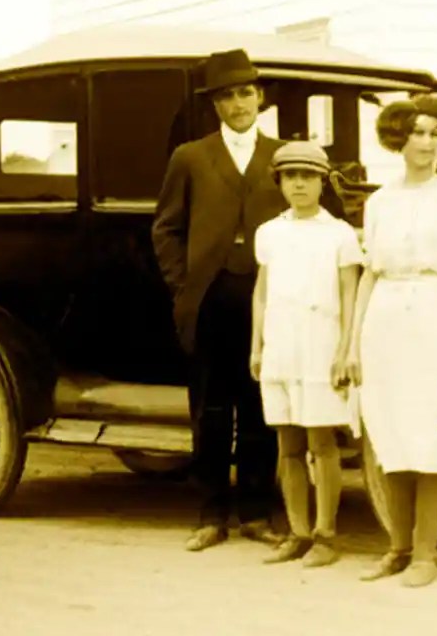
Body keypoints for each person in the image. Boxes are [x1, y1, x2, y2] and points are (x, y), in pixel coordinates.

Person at [347, 94, 437, 588]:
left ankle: (425, 554)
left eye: (434, 132)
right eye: (417, 132)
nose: (426, 142)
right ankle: (397, 547)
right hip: (384, 319)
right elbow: (368, 274)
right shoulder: (381, 202)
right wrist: (351, 344)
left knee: (430, 437)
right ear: (398, 139)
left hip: (432, 314)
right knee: (390, 434)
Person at [151, 48, 288, 551]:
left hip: (268, 297)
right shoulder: (190, 156)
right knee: (210, 408)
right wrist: (183, 285)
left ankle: (256, 514)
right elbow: (165, 228)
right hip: (209, 298)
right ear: (215, 104)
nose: (238, 103)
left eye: (245, 92)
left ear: (260, 97)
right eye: (227, 95)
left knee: (259, 405)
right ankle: (210, 514)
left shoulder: (283, 157)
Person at [250, 141, 363, 567]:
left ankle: (326, 535)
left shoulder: (338, 235)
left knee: (321, 443)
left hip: (321, 345)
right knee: (288, 444)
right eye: (291, 177)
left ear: (322, 182)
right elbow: (261, 293)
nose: (299, 184)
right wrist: (256, 346)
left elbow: (351, 294)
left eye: (308, 176)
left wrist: (345, 347)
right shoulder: (270, 232)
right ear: (279, 182)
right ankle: (297, 531)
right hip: (282, 345)